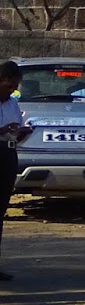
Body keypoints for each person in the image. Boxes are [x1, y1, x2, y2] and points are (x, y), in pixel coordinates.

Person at [0, 61, 31, 280]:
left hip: (9, 155)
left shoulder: (11, 104)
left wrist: (21, 132)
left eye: (15, 86)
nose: (12, 90)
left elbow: (16, 127)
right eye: (9, 85)